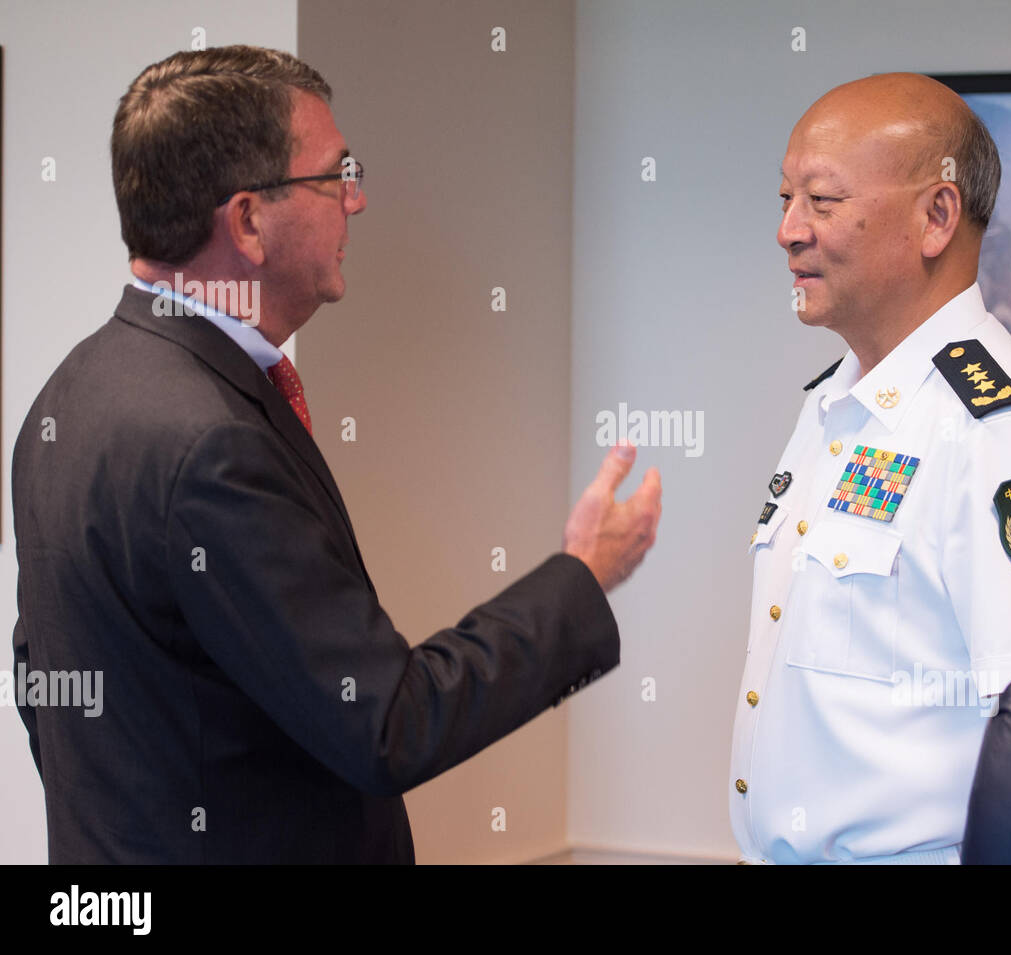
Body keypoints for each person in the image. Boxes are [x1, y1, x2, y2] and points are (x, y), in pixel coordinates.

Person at [10, 45, 662, 864]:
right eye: (335, 175)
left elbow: (44, 680)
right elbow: (388, 722)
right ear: (248, 221)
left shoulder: (69, 395)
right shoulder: (210, 443)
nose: (356, 201)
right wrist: (583, 574)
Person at [730, 73, 1011, 864]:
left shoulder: (1000, 436)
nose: (787, 230)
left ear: (937, 216)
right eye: (784, 197)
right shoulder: (839, 402)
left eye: (821, 202)